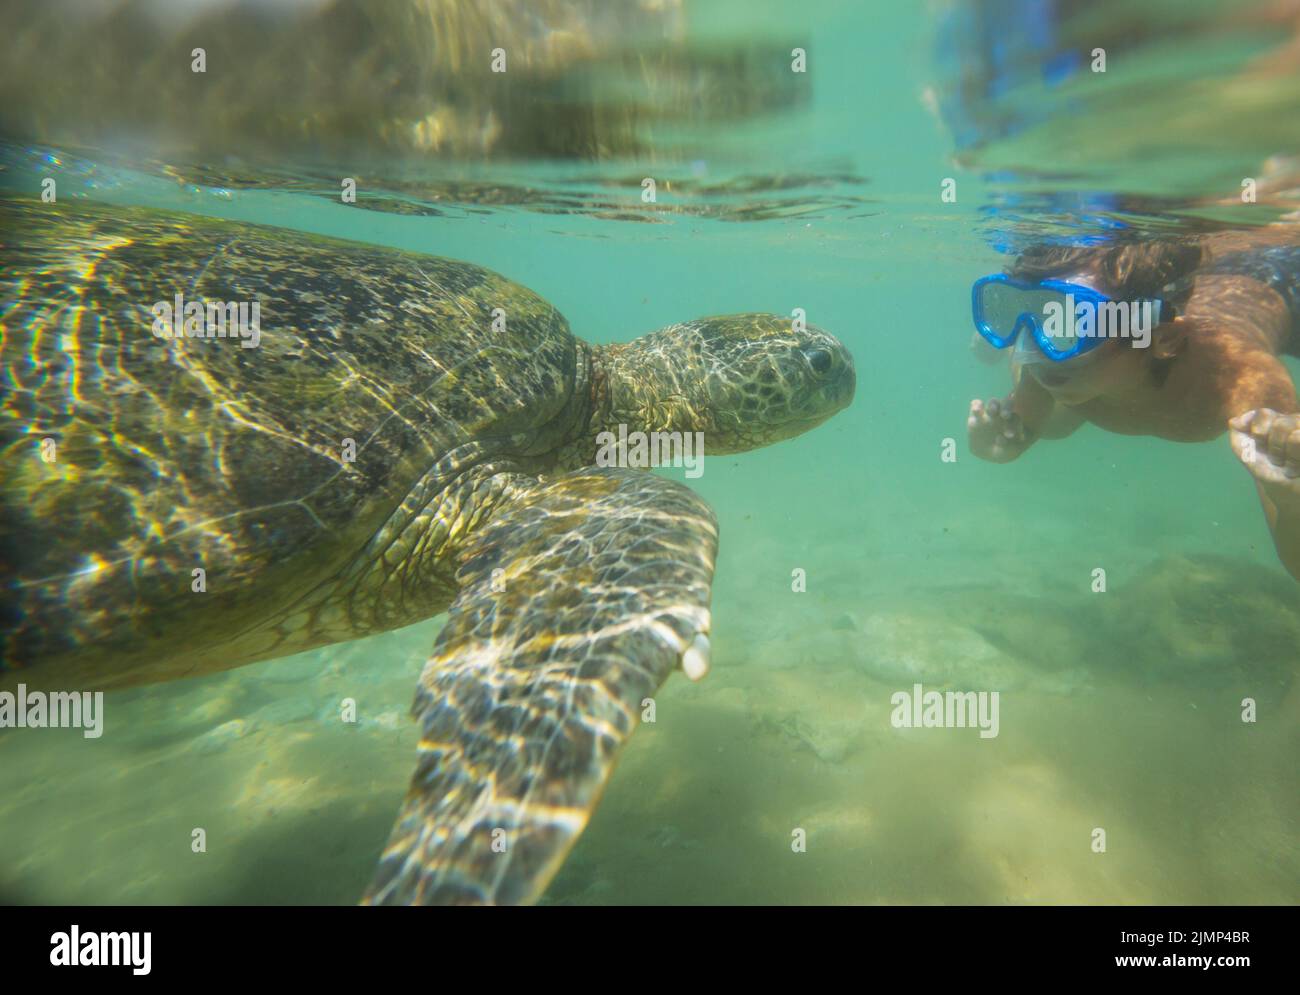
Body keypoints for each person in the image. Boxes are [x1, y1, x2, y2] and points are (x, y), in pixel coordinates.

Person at [967, 232, 1300, 580]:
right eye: (1024, 311)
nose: (1034, 344)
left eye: (1074, 321)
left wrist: (1292, 503)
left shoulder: (1243, 382)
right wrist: (1006, 442)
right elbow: (1040, 426)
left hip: (1279, 282)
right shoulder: (1055, 359)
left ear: (1163, 338)